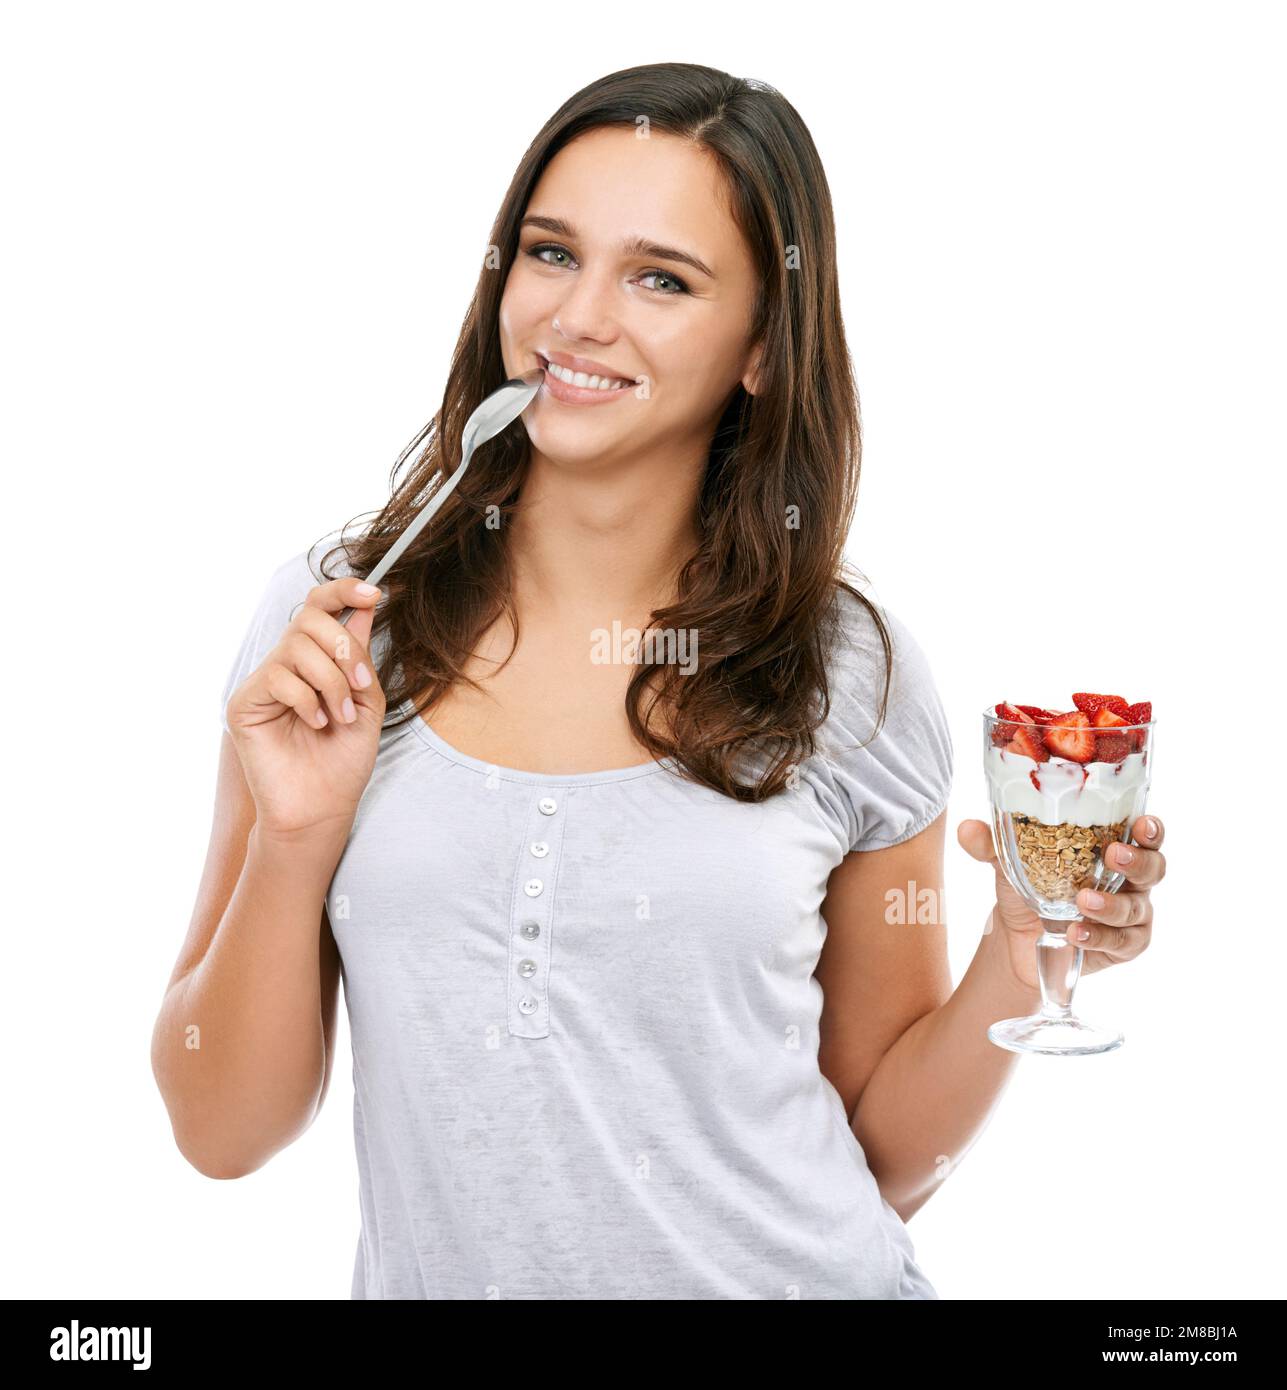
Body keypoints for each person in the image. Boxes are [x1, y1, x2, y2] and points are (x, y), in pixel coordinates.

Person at [151, 62, 1164, 1300]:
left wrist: (1018, 952)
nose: (577, 318)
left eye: (661, 278)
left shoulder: (848, 668)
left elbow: (885, 1156)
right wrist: (297, 839)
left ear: (757, 347)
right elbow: (219, 1131)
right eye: (550, 253)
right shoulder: (336, 626)